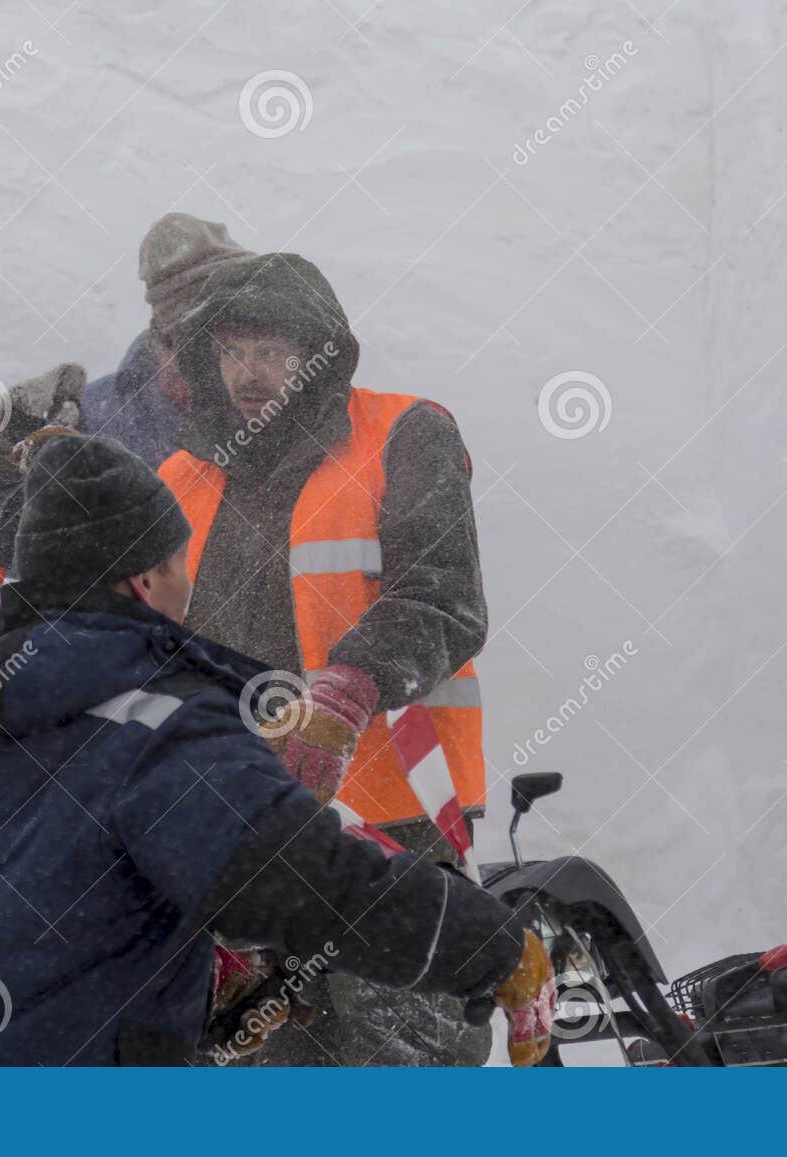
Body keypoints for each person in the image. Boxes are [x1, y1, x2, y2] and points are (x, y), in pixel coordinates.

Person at [0, 433, 554, 1066]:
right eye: (179, 559)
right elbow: (305, 881)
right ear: (147, 576)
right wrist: (489, 946)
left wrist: (169, 957)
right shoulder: (159, 713)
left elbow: (16, 897)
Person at [159, 251, 492, 1064]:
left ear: (318, 353)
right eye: (233, 350)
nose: (250, 371)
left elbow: (444, 596)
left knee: (403, 1067)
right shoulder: (179, 477)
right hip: (243, 831)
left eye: (272, 350)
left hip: (392, 819)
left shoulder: (407, 433)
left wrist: (346, 687)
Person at [0, 214, 253, 571]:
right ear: (159, 345)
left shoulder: (283, 411)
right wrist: (5, 467)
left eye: (225, 345)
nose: (207, 364)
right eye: (188, 343)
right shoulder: (94, 424)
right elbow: (4, 551)